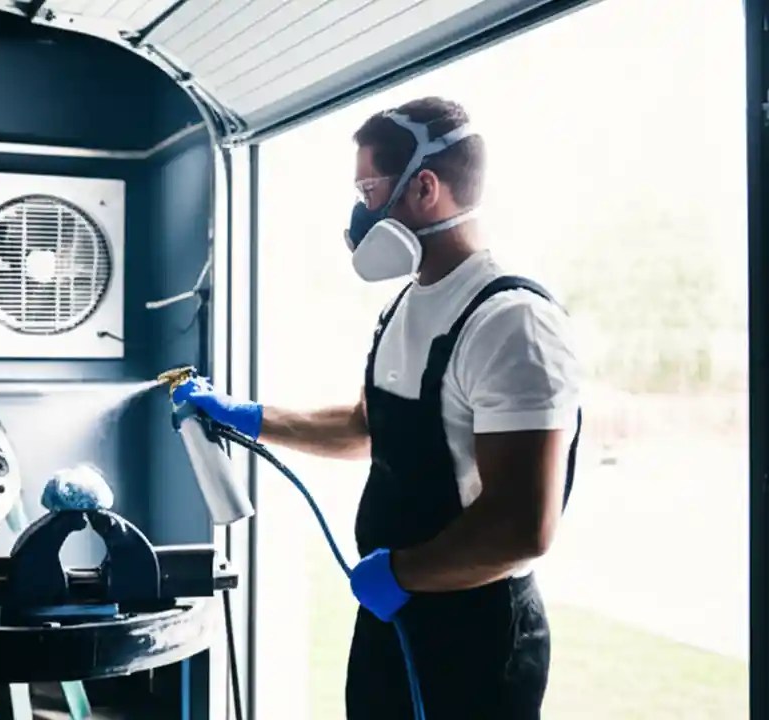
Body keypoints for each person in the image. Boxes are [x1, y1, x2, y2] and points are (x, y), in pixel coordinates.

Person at [173, 96, 582, 719]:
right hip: (396, 615)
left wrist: (401, 574)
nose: (359, 212)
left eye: (368, 189)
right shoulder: (407, 305)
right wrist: (249, 417)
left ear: (424, 188)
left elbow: (522, 527)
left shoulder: (510, 324)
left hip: (475, 638)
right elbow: (367, 427)